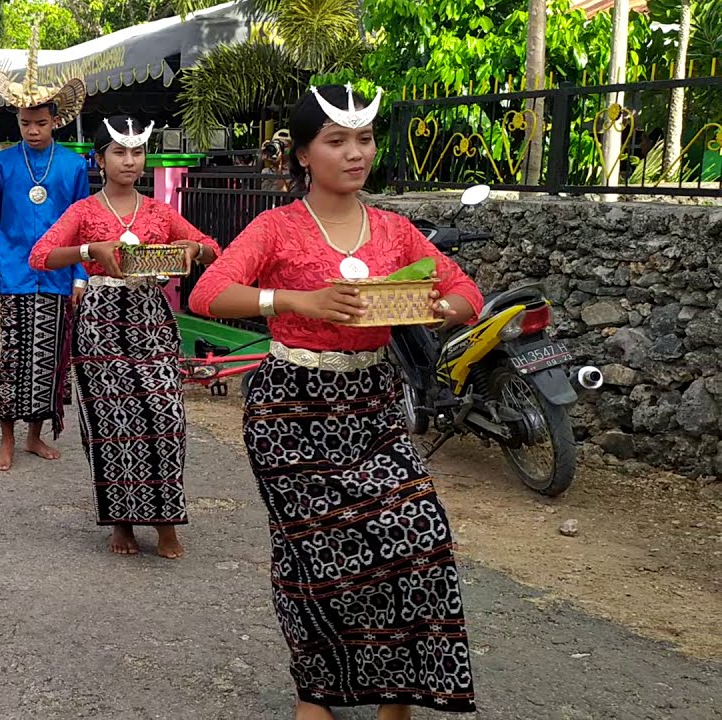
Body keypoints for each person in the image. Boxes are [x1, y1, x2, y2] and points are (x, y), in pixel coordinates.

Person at [187, 84, 482, 719]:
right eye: (337, 140)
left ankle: (395, 697)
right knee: (315, 556)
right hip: (290, 409)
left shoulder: (397, 231)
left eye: (365, 139)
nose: (356, 153)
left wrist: (436, 311)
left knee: (416, 533)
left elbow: (465, 293)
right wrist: (295, 301)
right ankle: (317, 690)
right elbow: (207, 294)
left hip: (373, 402)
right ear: (301, 155)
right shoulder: (277, 227)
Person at [28, 115, 220, 560]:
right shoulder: (84, 211)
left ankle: (167, 520)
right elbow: (41, 255)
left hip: (150, 317)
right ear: (100, 159)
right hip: (99, 321)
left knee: (166, 416)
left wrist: (194, 249)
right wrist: (87, 251)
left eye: (136, 152)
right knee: (113, 423)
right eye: (119, 152)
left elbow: (212, 247)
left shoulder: (157, 211)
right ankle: (122, 522)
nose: (129, 160)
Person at [0, 28, 90, 471]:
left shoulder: (73, 165)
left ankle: (33, 437)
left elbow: (82, 223)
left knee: (49, 359)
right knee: (14, 357)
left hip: (60, 276)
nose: (34, 130)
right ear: (17, 121)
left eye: (41, 123)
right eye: (26, 123)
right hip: (15, 272)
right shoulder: (2, 164)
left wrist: (81, 274)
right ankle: (4, 439)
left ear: (55, 120)